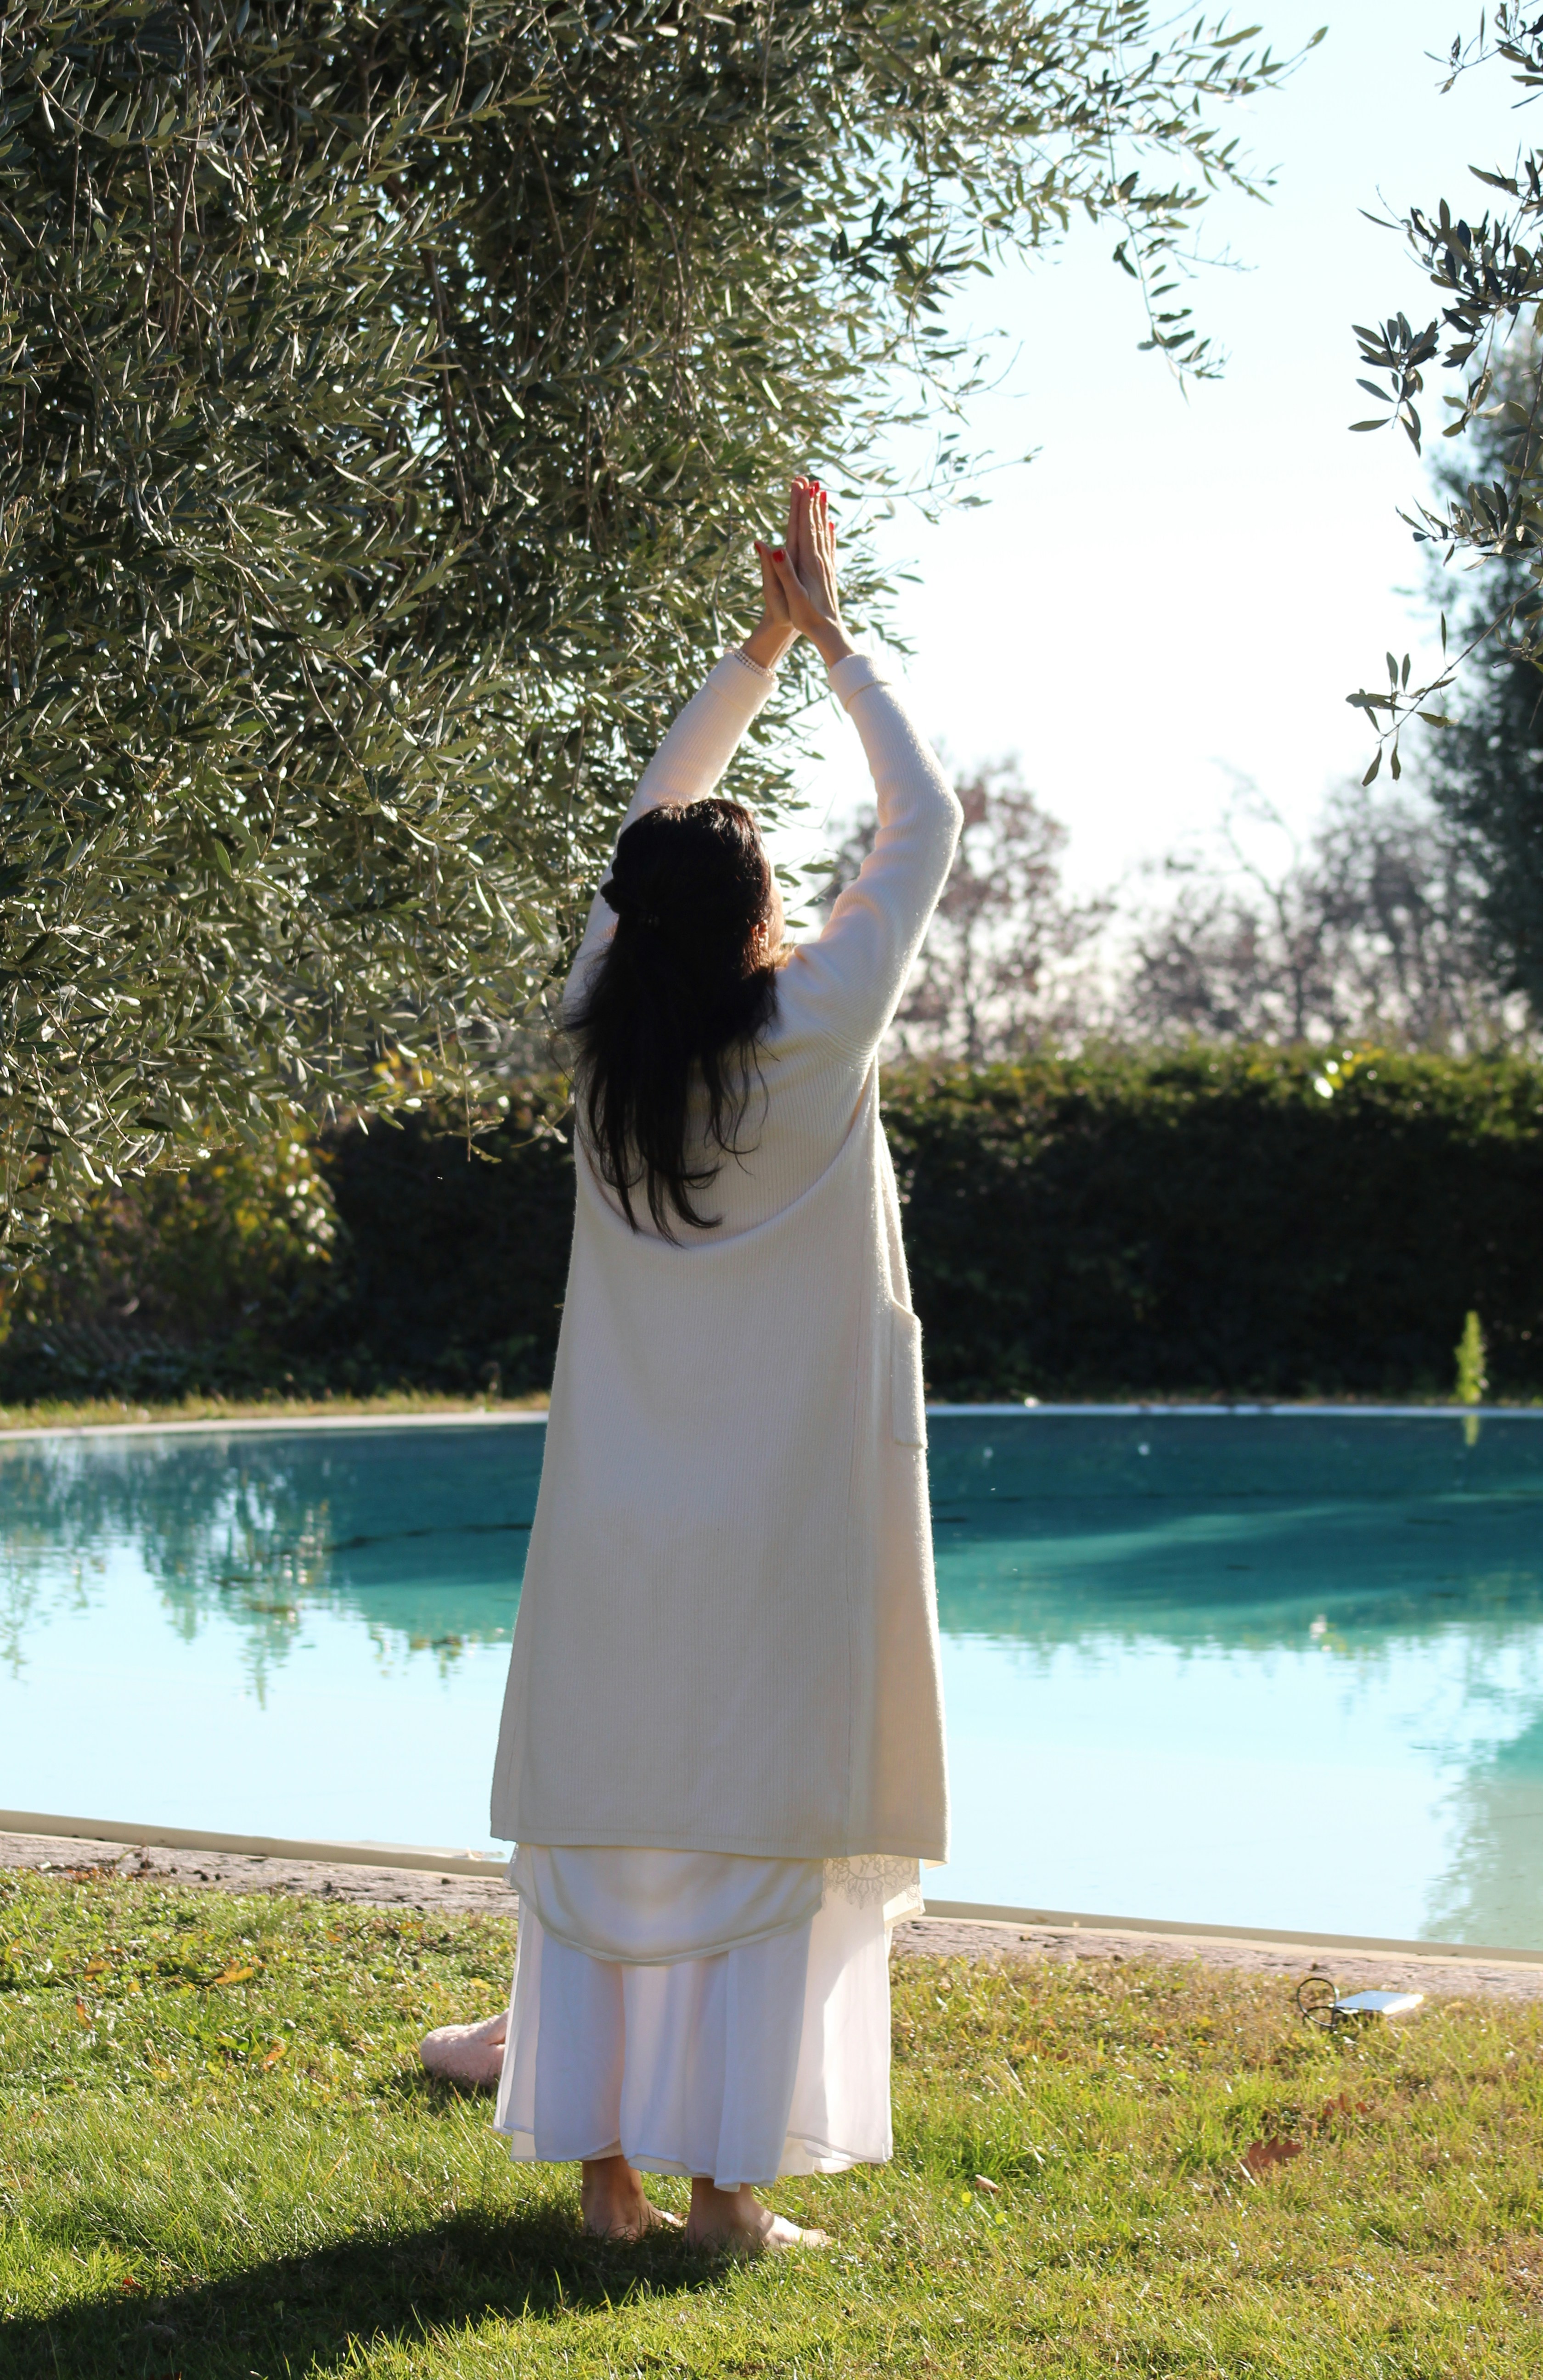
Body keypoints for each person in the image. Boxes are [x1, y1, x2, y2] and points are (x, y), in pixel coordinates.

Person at [421, 478, 960, 2252]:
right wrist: (830, 637)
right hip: (781, 1510)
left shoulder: (601, 1052)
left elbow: (648, 822)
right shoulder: (811, 1029)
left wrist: (749, 657)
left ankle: (607, 2184)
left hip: (617, 1518)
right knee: (747, 1830)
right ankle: (729, 2193)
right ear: (755, 919)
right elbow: (929, 819)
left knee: (612, 1824)